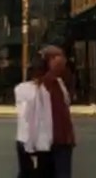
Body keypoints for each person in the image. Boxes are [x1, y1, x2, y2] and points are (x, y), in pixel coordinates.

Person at [38, 45, 76, 177]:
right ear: (50, 61)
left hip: (63, 139)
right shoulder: (47, 83)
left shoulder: (60, 81)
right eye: (58, 57)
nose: (63, 60)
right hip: (54, 139)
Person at [16, 53, 54, 177]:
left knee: (25, 172)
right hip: (40, 142)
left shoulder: (21, 89)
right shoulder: (44, 91)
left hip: (24, 138)